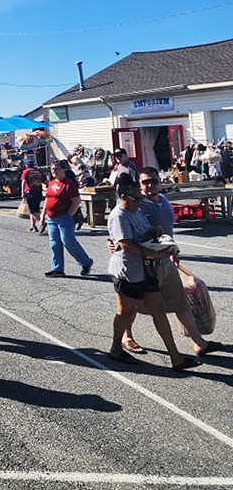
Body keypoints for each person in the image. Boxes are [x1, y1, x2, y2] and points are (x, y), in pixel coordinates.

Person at [117, 166, 224, 357]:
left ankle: (198, 342)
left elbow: (167, 229)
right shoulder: (136, 204)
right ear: (139, 185)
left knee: (180, 301)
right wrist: (114, 242)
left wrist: (173, 250)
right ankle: (126, 336)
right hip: (144, 264)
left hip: (164, 259)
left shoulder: (163, 200)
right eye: (145, 182)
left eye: (154, 181)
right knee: (131, 303)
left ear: (160, 182)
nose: (150, 185)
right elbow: (120, 228)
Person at [107, 174, 201, 371]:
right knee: (125, 312)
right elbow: (126, 245)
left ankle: (176, 357)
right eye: (135, 199)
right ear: (123, 197)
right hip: (128, 272)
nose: (138, 203)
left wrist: (156, 231)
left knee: (157, 310)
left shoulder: (136, 210)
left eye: (140, 199)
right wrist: (156, 254)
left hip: (146, 270)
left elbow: (145, 232)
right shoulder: (119, 215)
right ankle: (116, 347)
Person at [40, 159, 93, 277]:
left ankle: (86, 262)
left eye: (56, 169)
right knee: (54, 244)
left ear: (63, 170)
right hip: (51, 218)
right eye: (52, 169)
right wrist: (43, 216)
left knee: (68, 241)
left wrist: (68, 215)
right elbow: (47, 199)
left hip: (64, 217)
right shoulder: (51, 183)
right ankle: (57, 269)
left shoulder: (68, 184)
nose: (53, 171)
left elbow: (76, 201)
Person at [20, 164, 45, 232]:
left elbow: (24, 181)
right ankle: (32, 226)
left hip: (30, 192)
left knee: (32, 210)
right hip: (39, 192)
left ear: (26, 165)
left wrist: (22, 191)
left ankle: (42, 222)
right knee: (35, 210)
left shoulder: (26, 171)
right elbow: (45, 181)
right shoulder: (39, 171)